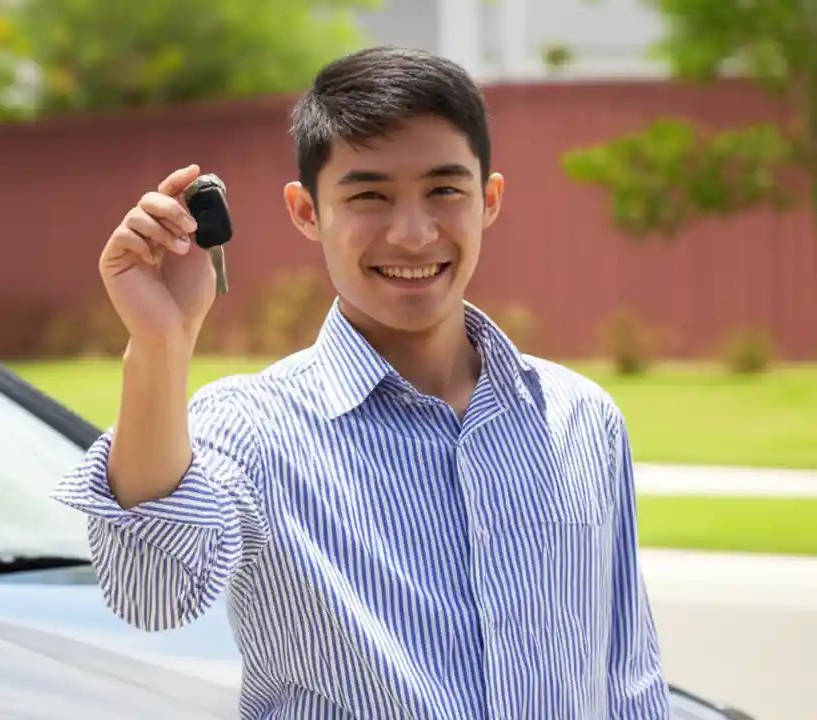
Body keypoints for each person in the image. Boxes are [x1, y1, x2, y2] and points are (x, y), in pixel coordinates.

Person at [51, 45, 669, 719]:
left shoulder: (581, 420)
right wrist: (161, 344)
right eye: (369, 195)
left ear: (488, 199)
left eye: (444, 191)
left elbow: (627, 679)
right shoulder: (252, 431)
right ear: (306, 212)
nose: (412, 233)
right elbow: (150, 594)